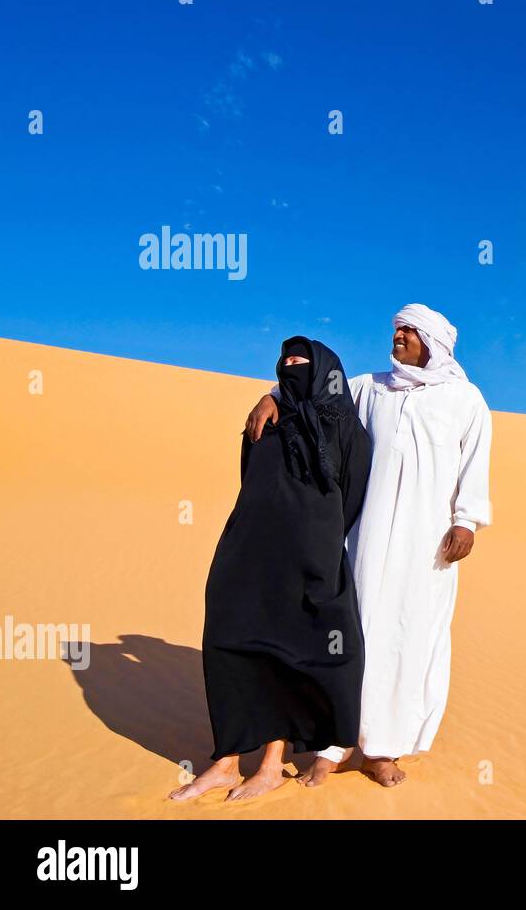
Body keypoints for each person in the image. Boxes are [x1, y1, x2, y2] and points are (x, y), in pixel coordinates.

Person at [245, 304, 492, 788]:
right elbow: (316, 388)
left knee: (407, 638)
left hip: (428, 547)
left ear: (432, 342)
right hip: (365, 534)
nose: (398, 336)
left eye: (409, 331)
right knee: (354, 634)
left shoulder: (465, 400)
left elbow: (475, 465)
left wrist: (467, 522)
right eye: (397, 329)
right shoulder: (369, 387)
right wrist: (273, 395)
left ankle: (382, 750)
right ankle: (333, 746)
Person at [169, 337, 372, 801]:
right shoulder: (264, 418)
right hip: (247, 547)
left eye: (301, 363)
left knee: (290, 651)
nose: (289, 367)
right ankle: (224, 761)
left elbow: (351, 496)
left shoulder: (347, 431)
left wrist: (318, 540)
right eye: (284, 363)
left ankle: (270, 765)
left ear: (325, 372)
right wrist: (272, 397)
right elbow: (251, 479)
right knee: (228, 642)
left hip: (309, 556)